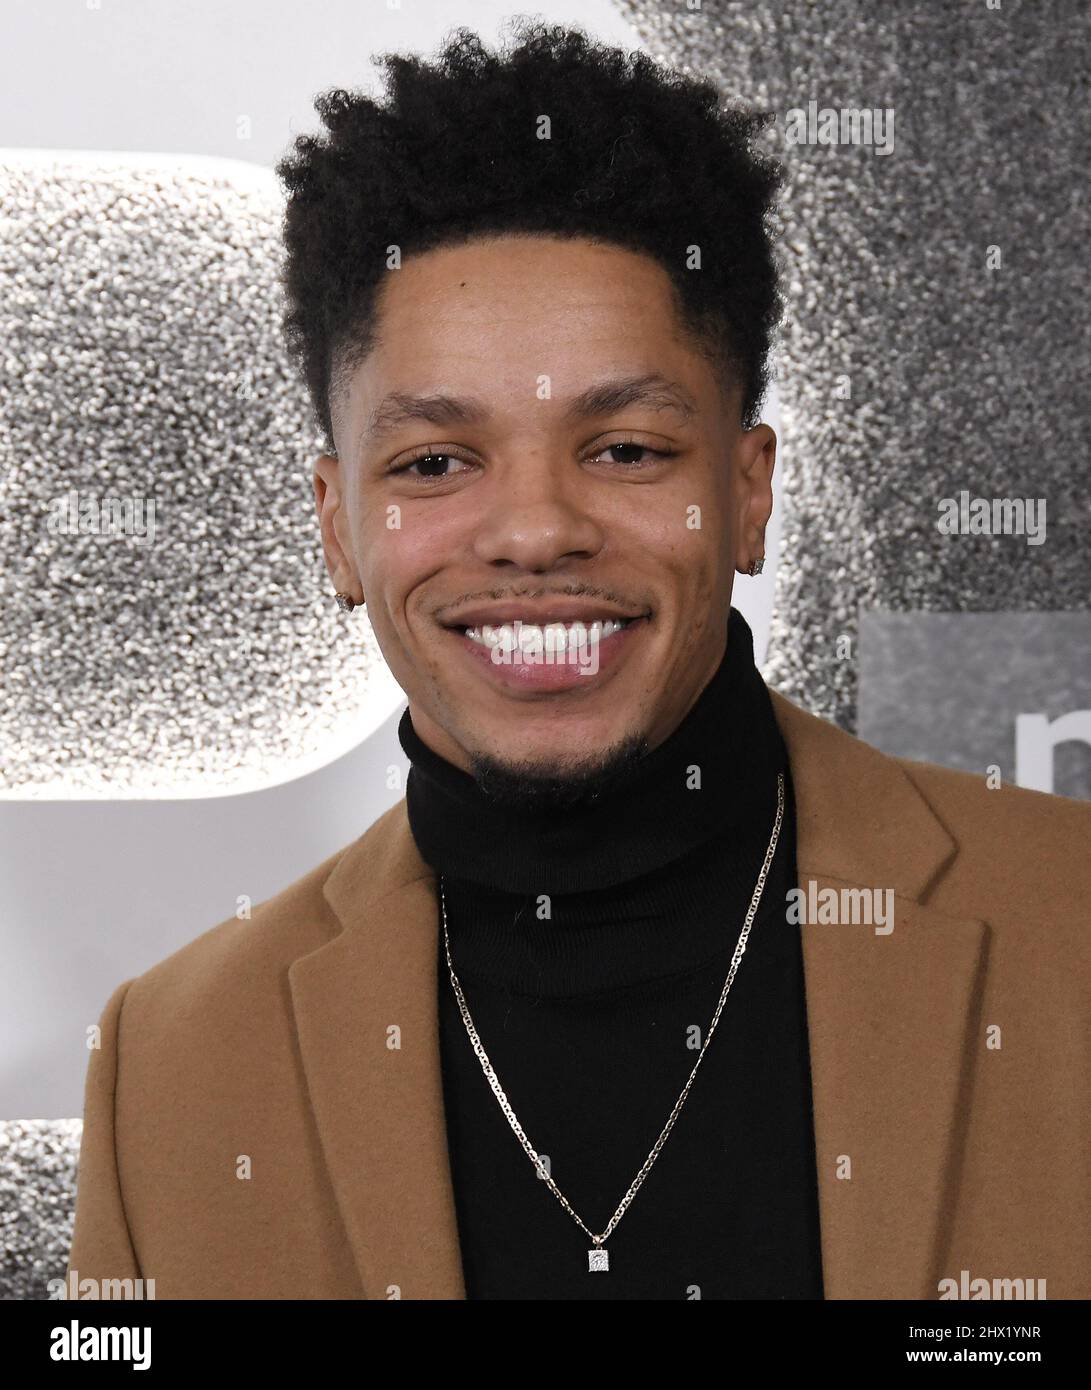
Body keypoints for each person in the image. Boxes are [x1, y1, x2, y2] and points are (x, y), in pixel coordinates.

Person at [68, 21, 1090, 1301]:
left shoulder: (1072, 937)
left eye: (623, 449)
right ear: (337, 527)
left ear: (747, 488)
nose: (535, 529)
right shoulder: (170, 1061)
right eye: (434, 463)